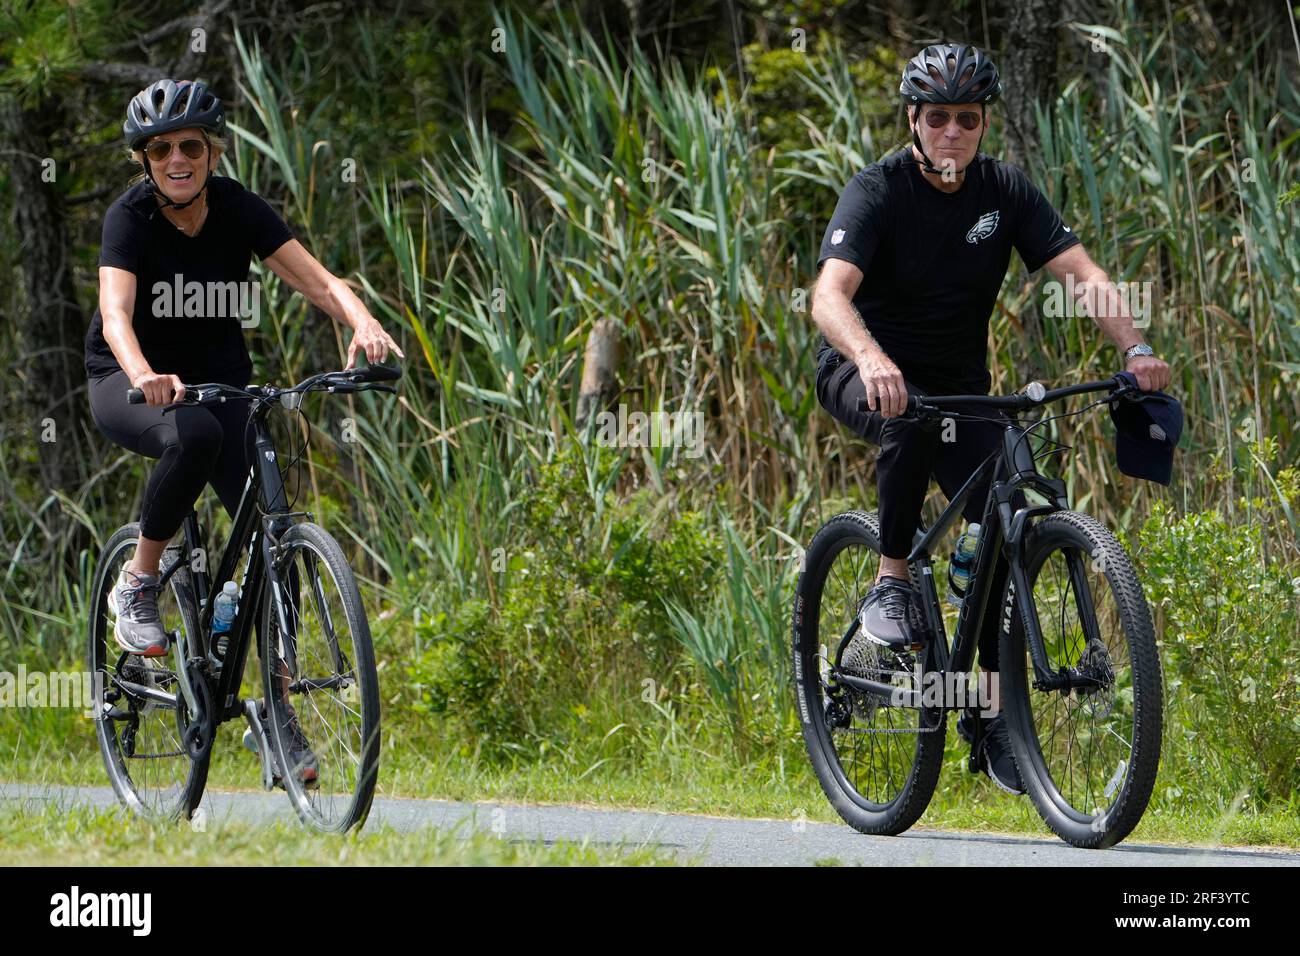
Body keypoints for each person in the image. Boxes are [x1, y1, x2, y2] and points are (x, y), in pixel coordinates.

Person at [811, 44, 1171, 794]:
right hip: (862, 370)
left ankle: (990, 714)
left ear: (981, 126)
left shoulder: (1004, 190)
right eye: (936, 117)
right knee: (906, 418)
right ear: (913, 119)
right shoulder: (876, 190)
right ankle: (890, 581)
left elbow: (1081, 274)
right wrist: (874, 360)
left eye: (966, 120)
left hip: (962, 390)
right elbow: (828, 297)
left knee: (1013, 511)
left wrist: (1136, 348)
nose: (951, 132)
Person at [85, 78, 404, 784]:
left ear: (212, 152)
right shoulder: (129, 218)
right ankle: (138, 584)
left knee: (274, 533)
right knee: (193, 436)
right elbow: (115, 315)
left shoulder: (238, 210)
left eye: (190, 146)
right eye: (161, 148)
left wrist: (363, 324)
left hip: (223, 381)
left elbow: (320, 281)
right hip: (128, 379)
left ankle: (277, 720)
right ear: (145, 159)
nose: (177, 158)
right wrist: (142, 373)